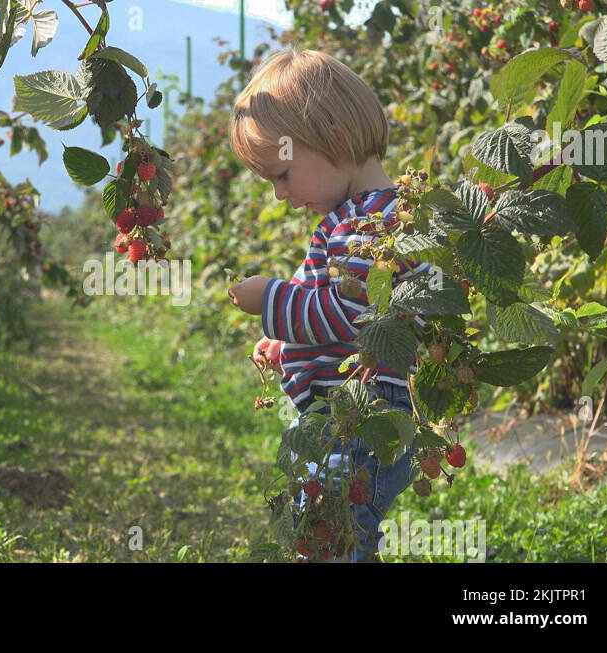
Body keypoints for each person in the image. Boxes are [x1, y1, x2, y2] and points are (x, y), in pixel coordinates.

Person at [226, 48, 434, 563]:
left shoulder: (370, 226)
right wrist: (285, 337)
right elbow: (340, 313)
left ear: (331, 140)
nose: (280, 195)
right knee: (327, 527)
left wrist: (269, 300)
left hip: (362, 414)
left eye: (281, 175)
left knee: (329, 529)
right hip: (349, 411)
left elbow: (349, 315)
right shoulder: (364, 217)